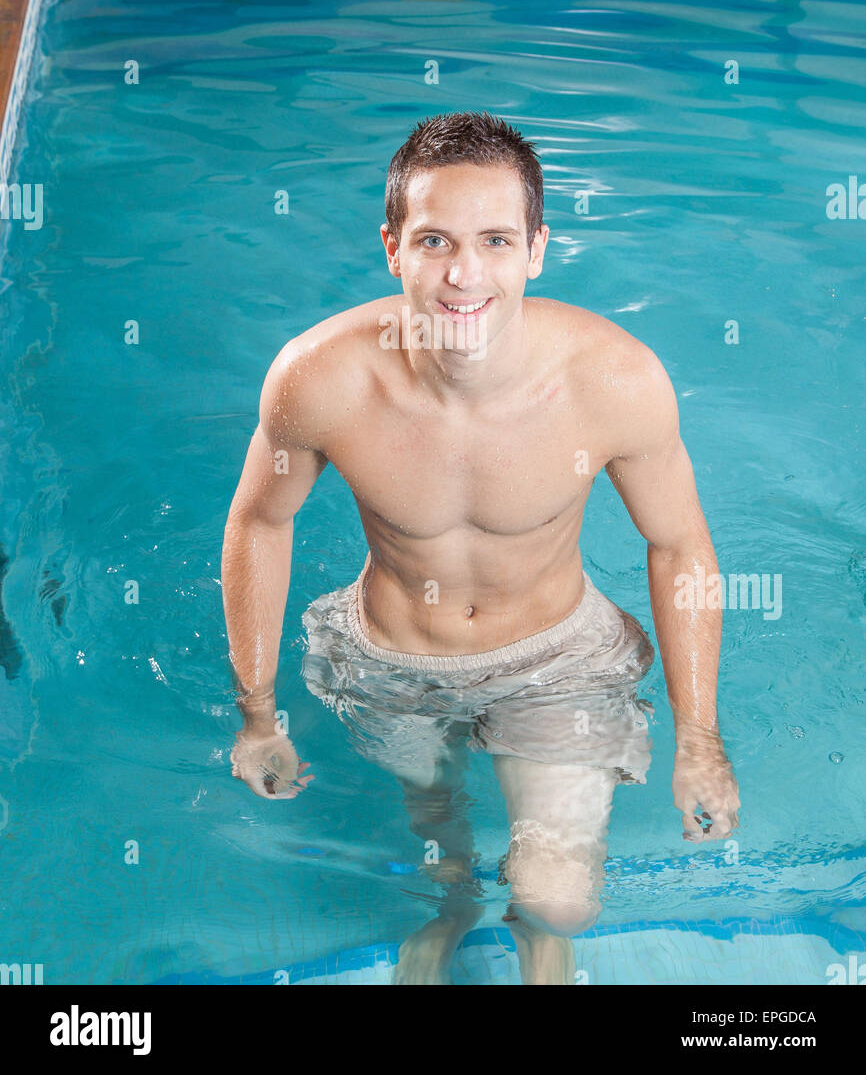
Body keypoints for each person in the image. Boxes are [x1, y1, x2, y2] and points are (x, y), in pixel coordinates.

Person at [221, 110, 740, 986]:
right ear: (392, 247)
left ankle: (545, 943)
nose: (465, 274)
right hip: (387, 656)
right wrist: (256, 713)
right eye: (434, 241)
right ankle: (455, 899)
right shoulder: (321, 378)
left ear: (538, 248)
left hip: (555, 662)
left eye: (496, 239)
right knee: (438, 835)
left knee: (560, 895)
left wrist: (699, 736)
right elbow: (259, 523)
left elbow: (681, 544)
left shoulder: (612, 380)